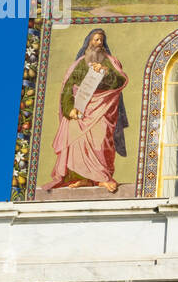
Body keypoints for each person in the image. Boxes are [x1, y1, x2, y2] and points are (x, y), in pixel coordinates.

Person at [46, 30, 128, 192]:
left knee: (101, 140)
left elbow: (119, 80)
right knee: (76, 140)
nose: (99, 43)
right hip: (81, 109)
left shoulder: (110, 62)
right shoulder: (80, 64)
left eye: (101, 40)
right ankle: (83, 178)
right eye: (96, 39)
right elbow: (68, 88)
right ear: (88, 42)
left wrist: (105, 70)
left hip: (103, 109)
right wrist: (69, 109)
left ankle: (102, 177)